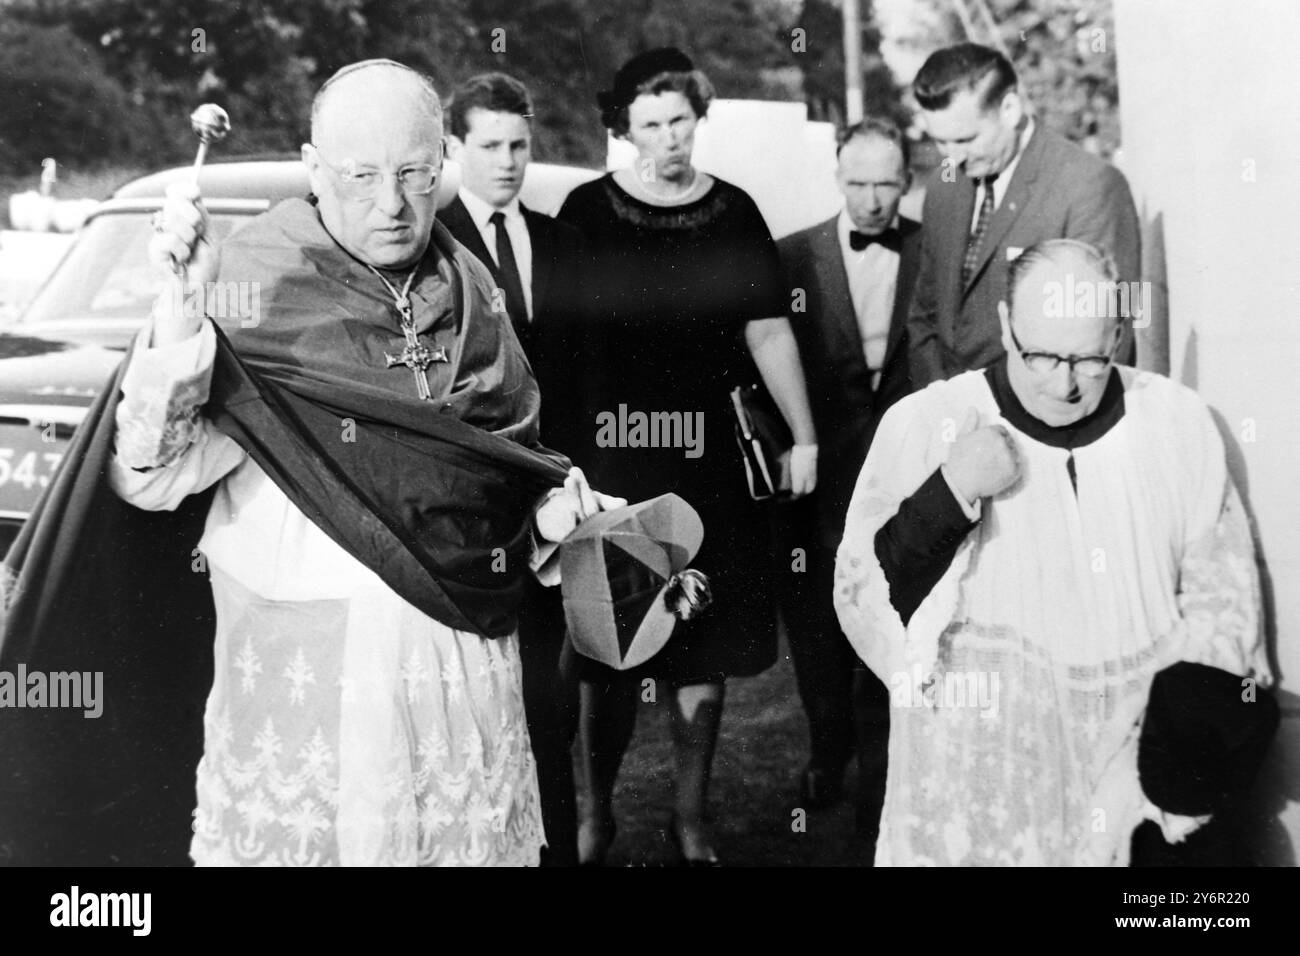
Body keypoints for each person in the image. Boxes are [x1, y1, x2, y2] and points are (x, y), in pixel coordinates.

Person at [3, 59, 625, 867]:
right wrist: (183, 317)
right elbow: (150, 475)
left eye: (413, 172)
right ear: (311, 168)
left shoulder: (473, 289)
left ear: (443, 163)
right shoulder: (254, 286)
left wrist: (552, 514)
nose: (392, 203)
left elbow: (496, 477)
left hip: (456, 687)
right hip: (310, 687)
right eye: (361, 176)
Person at [834, 239, 1271, 865]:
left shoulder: (1174, 423)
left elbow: (1221, 598)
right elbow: (866, 598)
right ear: (1007, 324)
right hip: (985, 788)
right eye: (1040, 356)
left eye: (1090, 359)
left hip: (1130, 783)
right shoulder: (932, 421)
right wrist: (949, 494)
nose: (1063, 385)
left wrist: (1162, 754)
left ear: (1119, 333)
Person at [555, 47, 817, 865]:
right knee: (611, 649)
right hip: (616, 462)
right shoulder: (585, 215)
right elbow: (562, 351)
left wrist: (803, 436)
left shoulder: (736, 213)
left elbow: (768, 329)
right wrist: (570, 468)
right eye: (649, 124)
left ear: (698, 118)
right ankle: (595, 815)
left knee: (703, 641)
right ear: (622, 131)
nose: (668, 138)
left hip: (710, 465)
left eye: (680, 120)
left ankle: (690, 818)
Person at [439, 71, 589, 866]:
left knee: (549, 705)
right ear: (454, 149)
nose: (506, 162)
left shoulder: (560, 242)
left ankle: (555, 850)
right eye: (489, 145)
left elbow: (585, 377)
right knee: (474, 710)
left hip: (557, 512)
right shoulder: (430, 243)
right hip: (469, 518)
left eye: (519, 146)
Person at [775, 116, 921, 841]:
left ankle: (886, 767)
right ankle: (827, 750)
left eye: (885, 184)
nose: (871, 201)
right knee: (817, 623)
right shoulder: (790, 257)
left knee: (894, 615)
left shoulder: (935, 252)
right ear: (838, 177)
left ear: (908, 181)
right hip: (820, 472)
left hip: (906, 473)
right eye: (857, 183)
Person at [906, 42, 1141, 388]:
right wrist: (945, 405)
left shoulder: (1090, 186)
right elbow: (925, 314)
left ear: (1010, 109)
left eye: (965, 139)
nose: (952, 159)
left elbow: (1113, 328)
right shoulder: (944, 187)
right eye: (941, 142)